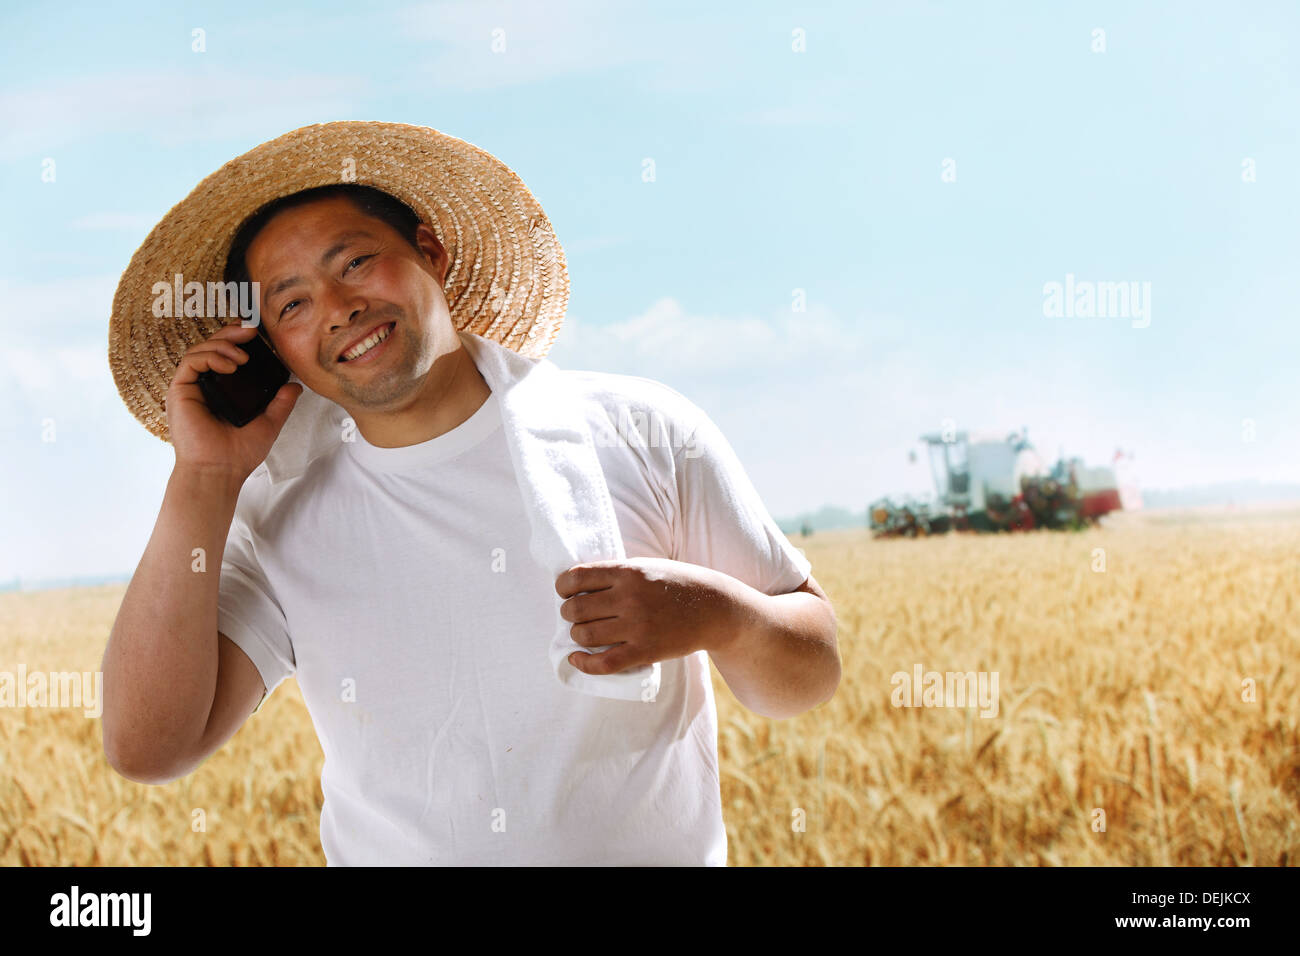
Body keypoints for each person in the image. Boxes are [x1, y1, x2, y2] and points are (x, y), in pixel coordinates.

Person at [101, 122, 839, 866]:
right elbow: (148, 747)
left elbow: (812, 673)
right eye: (291, 306)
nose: (337, 306)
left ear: (431, 251)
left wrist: (718, 614)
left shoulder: (642, 432)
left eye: (355, 261)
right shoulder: (277, 516)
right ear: (270, 352)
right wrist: (203, 481)